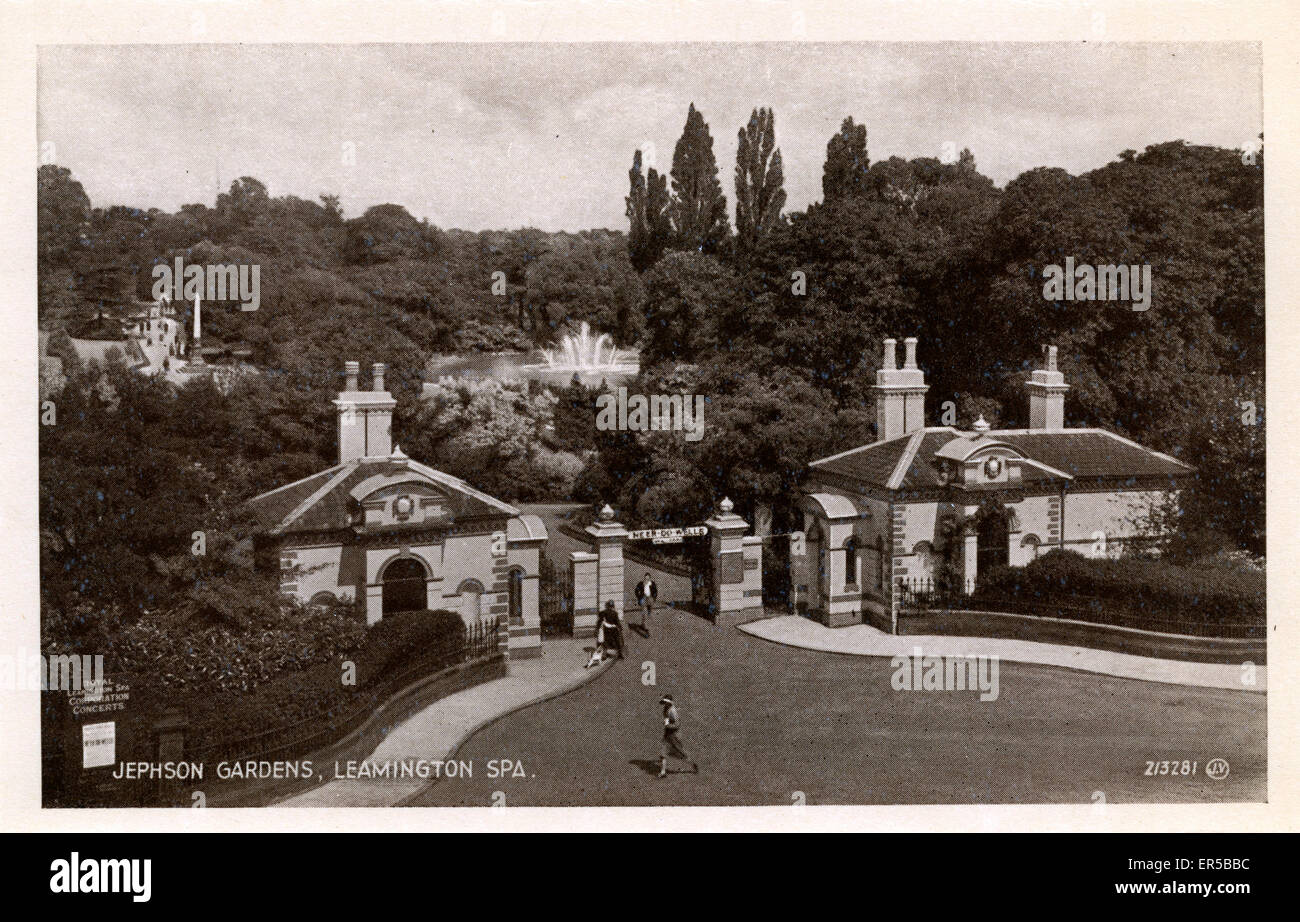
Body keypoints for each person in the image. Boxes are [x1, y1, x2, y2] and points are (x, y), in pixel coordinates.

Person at [657, 694, 697, 778]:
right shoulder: (666, 709)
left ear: (670, 702)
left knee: (680, 753)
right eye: (664, 702)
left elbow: (677, 725)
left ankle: (693, 764)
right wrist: (666, 724)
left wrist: (667, 725)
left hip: (674, 735)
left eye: (666, 702)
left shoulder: (673, 711)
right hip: (667, 734)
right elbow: (666, 720)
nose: (665, 703)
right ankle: (663, 772)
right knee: (662, 752)